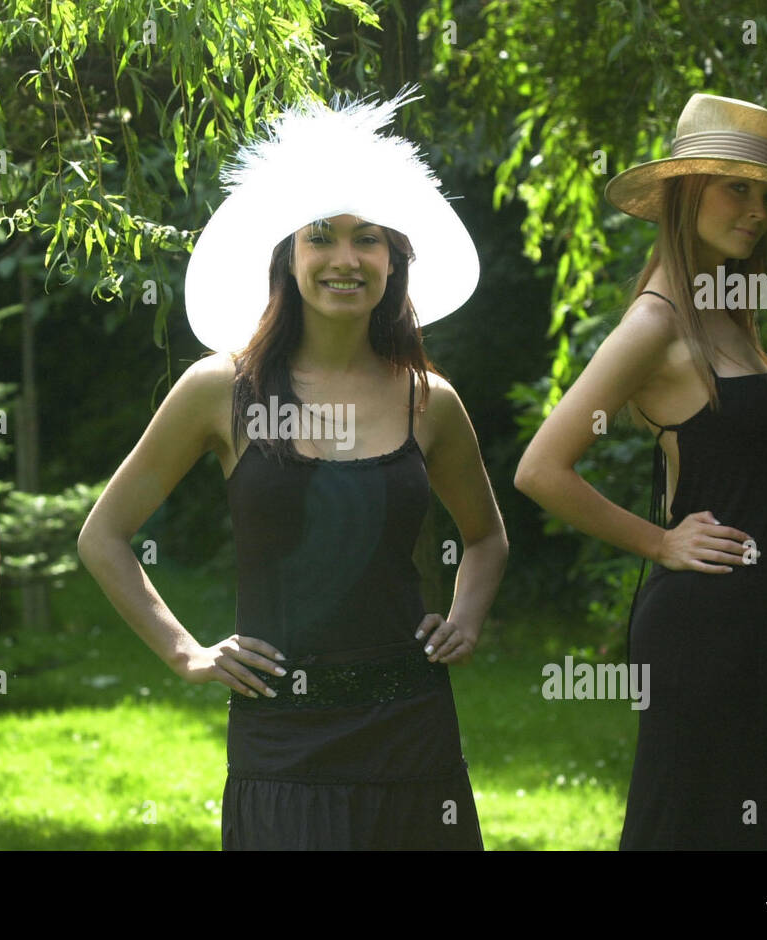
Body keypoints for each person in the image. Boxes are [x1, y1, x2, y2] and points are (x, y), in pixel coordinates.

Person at [79, 92, 508, 850]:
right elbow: (105, 535)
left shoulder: (428, 400)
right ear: (288, 257)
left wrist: (467, 619)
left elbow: (486, 538)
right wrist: (185, 652)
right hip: (280, 742)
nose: (346, 259)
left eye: (368, 239)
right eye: (322, 238)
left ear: (394, 260)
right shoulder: (221, 390)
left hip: (412, 732)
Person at [515, 93, 767, 849]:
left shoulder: (725, 308)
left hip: (743, 623)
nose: (755, 210)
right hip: (697, 627)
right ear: (685, 192)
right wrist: (659, 543)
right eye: (736, 188)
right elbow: (540, 468)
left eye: (766, 193)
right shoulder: (656, 322)